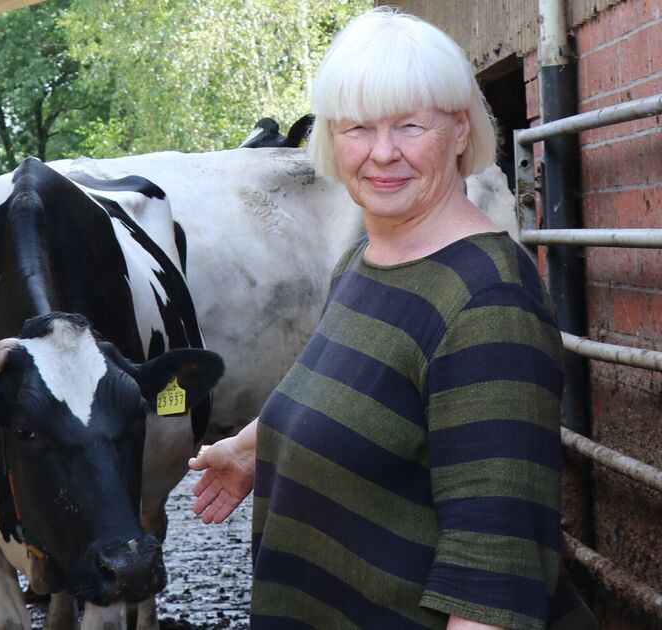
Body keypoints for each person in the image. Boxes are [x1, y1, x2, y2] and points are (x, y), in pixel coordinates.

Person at [189, 7, 597, 630]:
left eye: (409, 125)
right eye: (357, 128)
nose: (382, 154)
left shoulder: (488, 302)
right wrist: (257, 448)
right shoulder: (363, 260)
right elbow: (350, 384)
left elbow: (492, 581)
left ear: (460, 130)